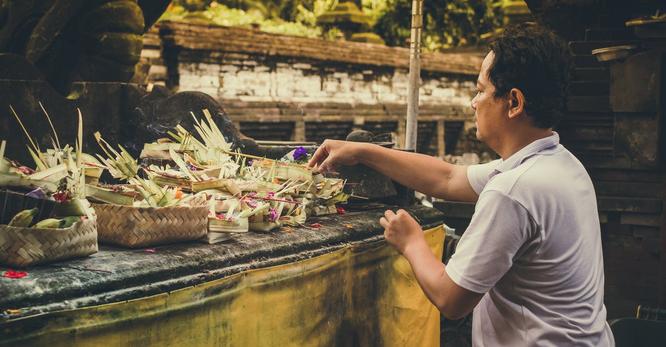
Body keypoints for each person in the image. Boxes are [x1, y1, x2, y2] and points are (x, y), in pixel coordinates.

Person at [308, 23, 614, 346]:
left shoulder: (513, 192)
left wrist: (412, 242)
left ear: (514, 103)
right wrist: (362, 152)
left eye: (480, 90)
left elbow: (449, 297)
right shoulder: (561, 164)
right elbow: (448, 177)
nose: (473, 102)